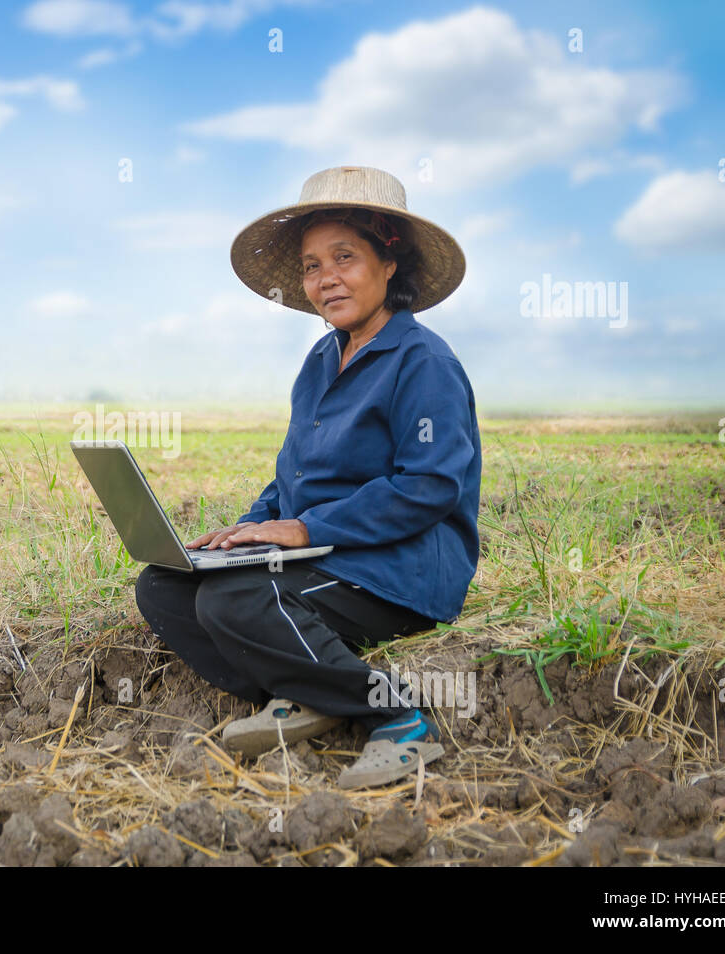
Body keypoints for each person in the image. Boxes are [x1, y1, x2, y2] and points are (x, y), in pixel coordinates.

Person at [134, 166, 482, 788]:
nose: (326, 280)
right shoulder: (321, 359)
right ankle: (305, 687)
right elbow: (293, 475)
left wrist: (303, 529)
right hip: (326, 555)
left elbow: (429, 486)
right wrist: (250, 528)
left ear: (389, 261)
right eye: (312, 266)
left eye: (343, 258)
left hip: (397, 568)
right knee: (164, 586)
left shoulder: (424, 362)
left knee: (236, 596)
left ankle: (397, 719)